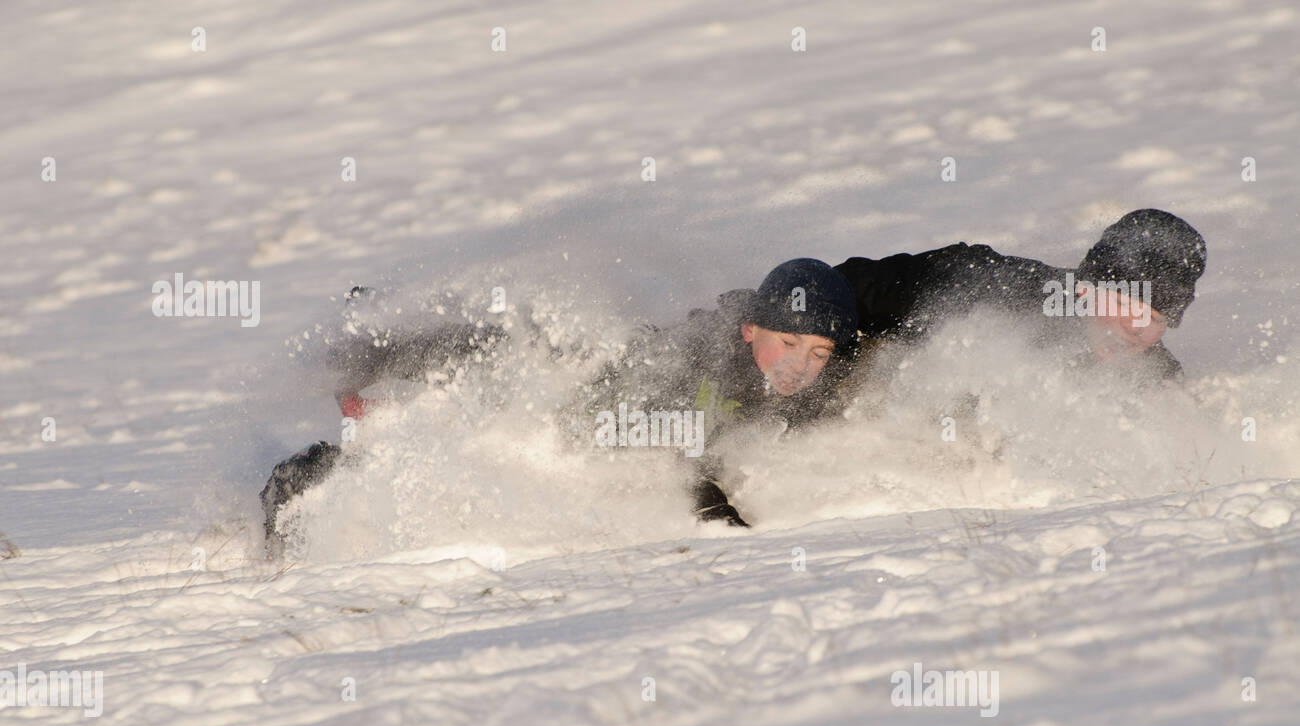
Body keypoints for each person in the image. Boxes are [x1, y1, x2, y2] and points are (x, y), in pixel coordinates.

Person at [259, 259, 861, 554]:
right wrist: (721, 519)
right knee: (469, 388)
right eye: (789, 344)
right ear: (751, 331)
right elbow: (679, 451)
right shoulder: (707, 362)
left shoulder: (783, 377)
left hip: (590, 404)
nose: (800, 365)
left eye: (819, 353)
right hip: (571, 405)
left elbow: (874, 280)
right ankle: (310, 464)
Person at [833, 208, 1207, 379]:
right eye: (1126, 303)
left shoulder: (1150, 372)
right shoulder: (995, 287)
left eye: (1155, 319)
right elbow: (834, 288)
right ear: (1085, 289)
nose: (1135, 328)